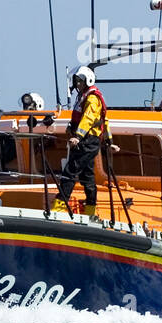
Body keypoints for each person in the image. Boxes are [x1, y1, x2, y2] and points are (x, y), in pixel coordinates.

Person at [52, 67, 114, 216]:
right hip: (85, 140)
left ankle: (59, 208)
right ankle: (90, 210)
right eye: (77, 81)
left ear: (88, 80)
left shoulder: (92, 98)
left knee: (70, 171)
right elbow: (84, 118)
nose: (78, 84)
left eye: (80, 81)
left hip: (88, 141)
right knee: (87, 176)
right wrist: (70, 128)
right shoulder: (83, 96)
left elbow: (89, 119)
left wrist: (78, 136)